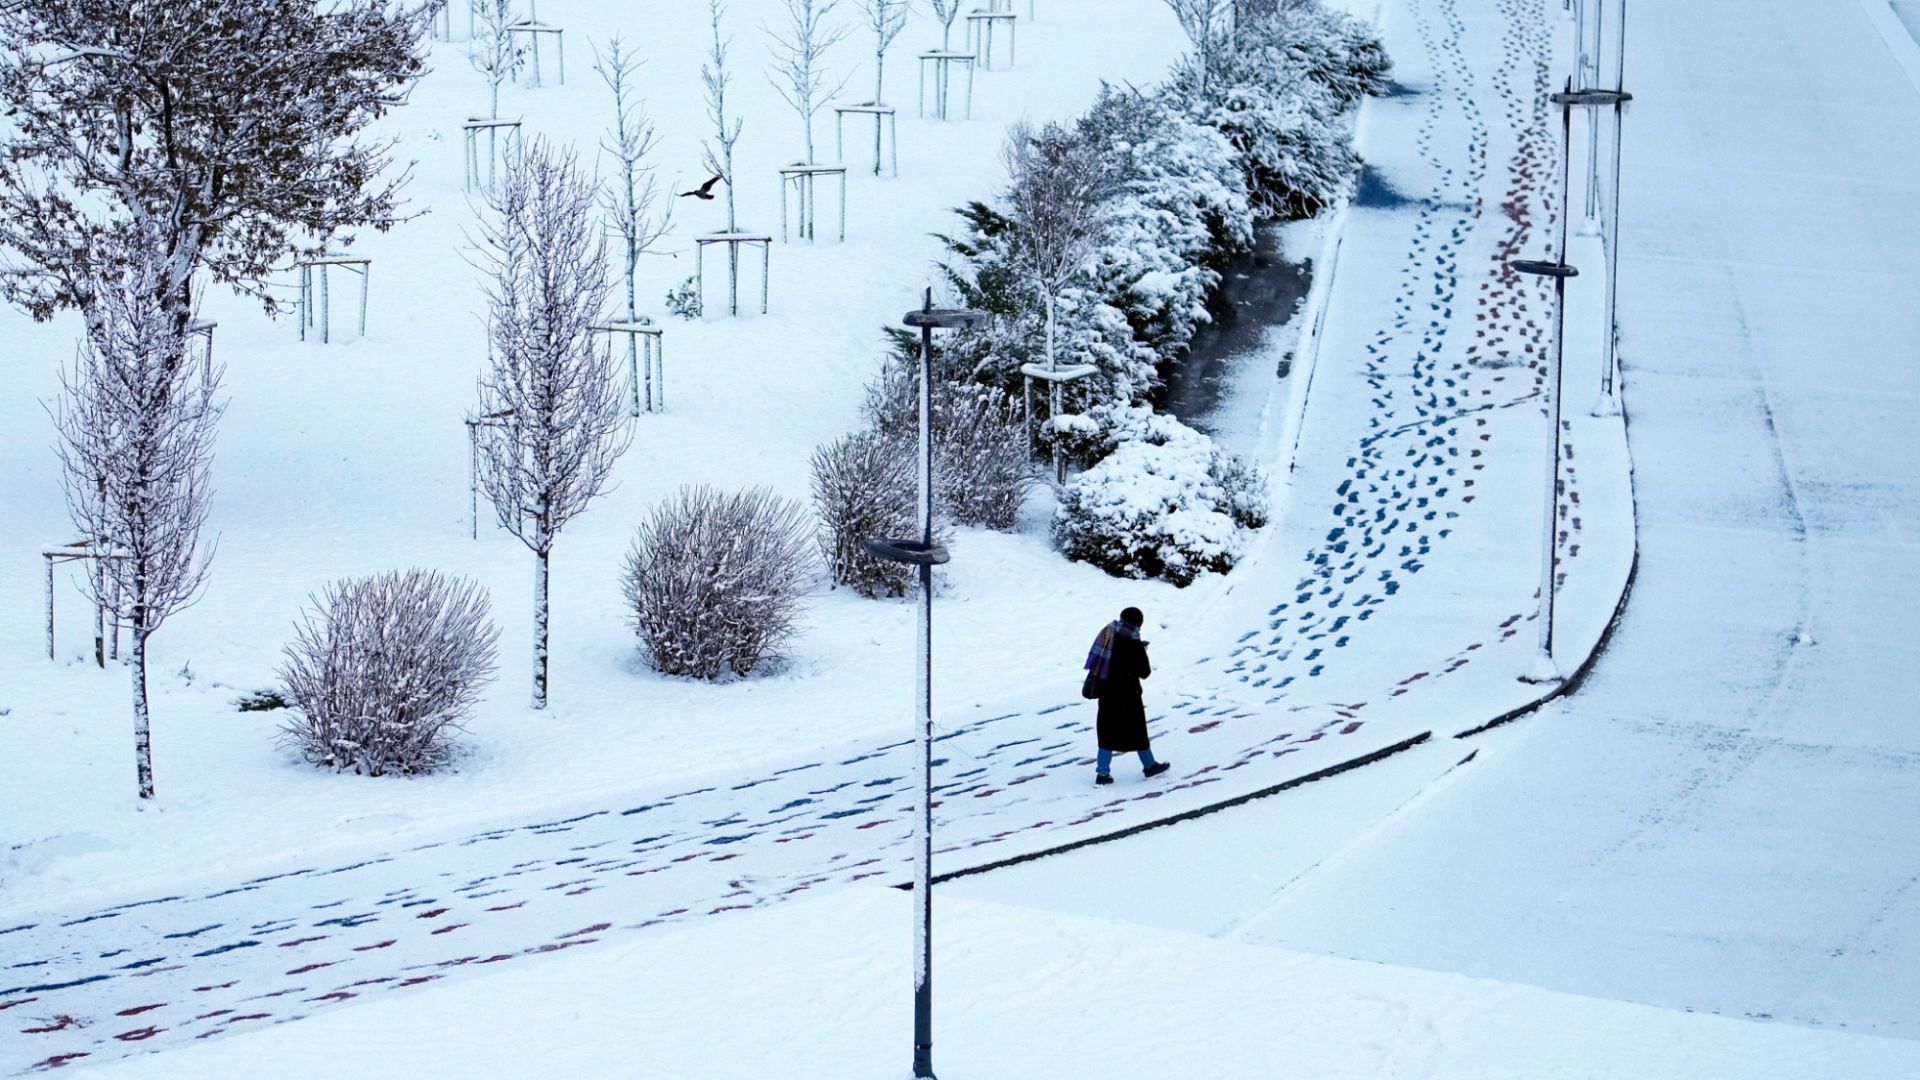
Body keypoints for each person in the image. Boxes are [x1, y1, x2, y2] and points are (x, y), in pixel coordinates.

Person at [1083, 606, 1170, 786]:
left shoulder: (1108, 635)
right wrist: (1142, 651)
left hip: (1108, 695)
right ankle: (1149, 765)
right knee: (1138, 733)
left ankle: (1102, 773)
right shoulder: (1134, 644)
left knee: (1106, 733)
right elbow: (1144, 672)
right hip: (1128, 696)